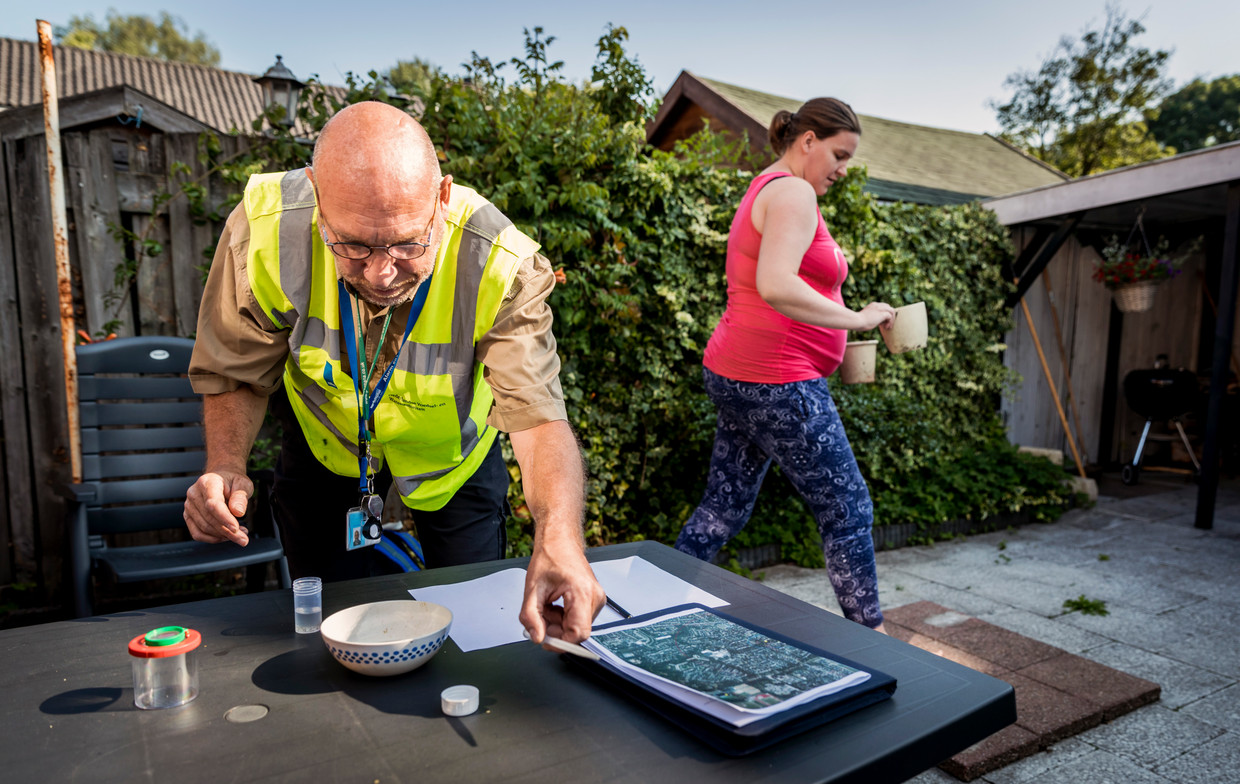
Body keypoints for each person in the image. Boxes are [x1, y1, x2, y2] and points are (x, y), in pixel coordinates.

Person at [183, 101, 605, 644]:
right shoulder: (263, 231)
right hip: (326, 447)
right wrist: (225, 463)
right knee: (327, 630)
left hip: (455, 462)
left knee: (475, 631)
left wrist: (559, 536)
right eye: (353, 244)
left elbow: (540, 420)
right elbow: (236, 369)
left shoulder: (501, 263)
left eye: (409, 243)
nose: (382, 273)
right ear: (316, 197)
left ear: (443, 197)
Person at [673, 98, 893, 633]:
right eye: (839, 155)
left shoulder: (766, 186)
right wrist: (856, 320)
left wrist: (833, 338)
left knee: (724, 507)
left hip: (738, 371)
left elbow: (778, 284)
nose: (843, 169)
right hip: (776, 378)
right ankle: (876, 638)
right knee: (848, 509)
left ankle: (658, 602)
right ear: (809, 140)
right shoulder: (792, 191)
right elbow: (776, 284)